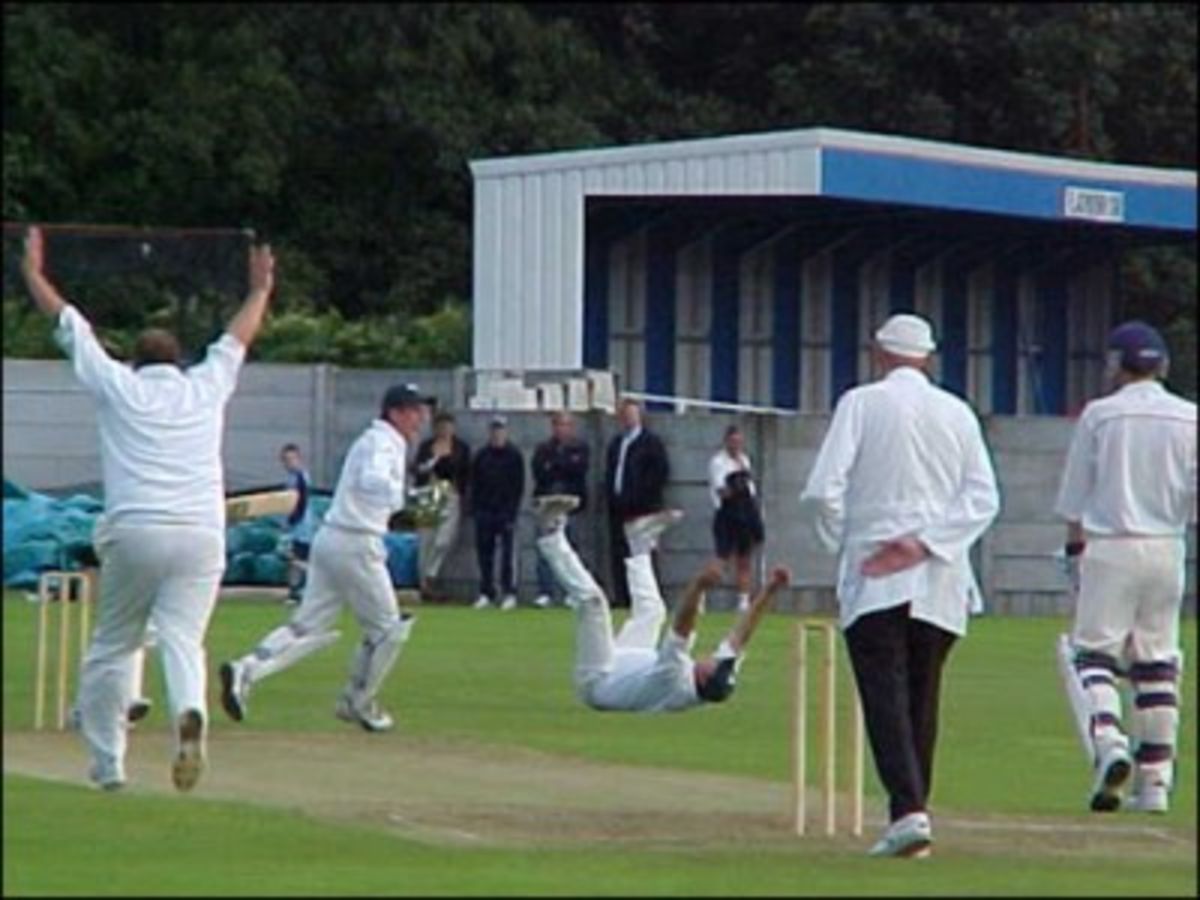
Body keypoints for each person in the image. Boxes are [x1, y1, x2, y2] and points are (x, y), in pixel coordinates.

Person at [21, 225, 275, 792]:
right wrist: (259, 291)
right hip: (201, 534)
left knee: (114, 645)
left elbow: (73, 327)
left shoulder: (119, 385)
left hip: (136, 529)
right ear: (178, 360)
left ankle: (108, 765)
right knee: (184, 638)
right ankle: (191, 711)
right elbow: (236, 339)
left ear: (135, 361)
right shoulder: (203, 386)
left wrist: (36, 275)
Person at [799, 312, 1000, 859]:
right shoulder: (957, 412)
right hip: (941, 578)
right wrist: (928, 542)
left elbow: (822, 491)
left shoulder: (860, 403)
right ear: (927, 358)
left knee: (885, 696)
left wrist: (851, 543)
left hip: (876, 575)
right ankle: (913, 814)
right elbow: (984, 499)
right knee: (921, 697)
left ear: (878, 354)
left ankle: (909, 811)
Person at [219, 384, 433, 732]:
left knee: (307, 624)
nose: (420, 417)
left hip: (331, 538)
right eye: (413, 410)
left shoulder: (376, 440)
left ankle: (246, 669)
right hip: (358, 543)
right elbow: (372, 480)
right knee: (389, 629)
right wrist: (406, 495)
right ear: (394, 412)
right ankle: (358, 702)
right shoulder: (384, 442)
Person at [1054, 321, 1196, 815]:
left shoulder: (1100, 416)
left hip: (1110, 546)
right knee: (1158, 664)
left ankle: (1110, 741)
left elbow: (1075, 495)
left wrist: (1074, 554)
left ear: (1116, 365)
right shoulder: (1190, 417)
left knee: (1094, 656)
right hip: (1167, 548)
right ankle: (1155, 783)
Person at [534, 495, 790, 711]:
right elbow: (741, 636)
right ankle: (639, 543)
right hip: (628, 662)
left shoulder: (675, 679)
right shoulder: (711, 679)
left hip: (598, 681)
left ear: (703, 676)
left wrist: (699, 585)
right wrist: (769, 591)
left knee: (593, 603)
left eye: (714, 663)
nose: (716, 657)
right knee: (652, 612)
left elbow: (683, 625)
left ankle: (551, 533)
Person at [604, 398, 670, 608]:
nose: (628, 418)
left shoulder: (651, 443)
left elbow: (660, 474)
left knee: (643, 554)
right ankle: (622, 596)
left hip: (642, 509)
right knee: (619, 553)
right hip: (618, 508)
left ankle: (645, 598)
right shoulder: (616, 443)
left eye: (632, 414)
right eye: (625, 414)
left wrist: (643, 497)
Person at [531, 411, 590, 608]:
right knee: (546, 550)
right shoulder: (543, 449)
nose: (561, 429)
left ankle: (571, 592)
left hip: (571, 506)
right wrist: (560, 466)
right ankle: (546, 592)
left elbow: (577, 470)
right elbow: (540, 472)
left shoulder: (580, 448)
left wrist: (556, 466)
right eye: (557, 425)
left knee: (571, 550)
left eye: (565, 425)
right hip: (548, 506)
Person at [413, 411, 471, 602]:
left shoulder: (461, 447)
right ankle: (424, 584)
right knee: (426, 540)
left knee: (443, 540)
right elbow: (417, 470)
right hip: (429, 494)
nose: (445, 430)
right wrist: (434, 459)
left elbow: (464, 472)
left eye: (448, 426)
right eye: (441, 426)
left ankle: (432, 573)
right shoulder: (427, 447)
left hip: (450, 494)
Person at [470, 416, 525, 610]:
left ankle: (509, 592)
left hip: (505, 512)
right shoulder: (481, 456)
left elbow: (518, 486)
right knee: (485, 554)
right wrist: (475, 510)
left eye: (500, 430)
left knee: (508, 554)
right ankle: (487, 591)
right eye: (494, 430)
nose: (497, 434)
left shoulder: (514, 455)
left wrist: (512, 512)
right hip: (485, 511)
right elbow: (474, 484)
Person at [708, 425, 765, 613]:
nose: (736, 445)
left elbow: (750, 491)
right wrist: (736, 486)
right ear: (726, 441)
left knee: (744, 559)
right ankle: (702, 593)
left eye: (739, 442)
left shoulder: (745, 460)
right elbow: (721, 491)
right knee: (722, 558)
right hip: (727, 515)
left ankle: (743, 601)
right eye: (733, 441)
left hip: (744, 514)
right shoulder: (718, 462)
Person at [280, 442, 317, 605]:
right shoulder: (291, 478)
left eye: (292, 459)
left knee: (298, 559)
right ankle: (295, 592)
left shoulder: (302, 477)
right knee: (293, 560)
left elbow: (301, 502)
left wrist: (292, 521)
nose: (289, 463)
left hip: (302, 528)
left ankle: (307, 589)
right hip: (296, 526)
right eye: (286, 460)